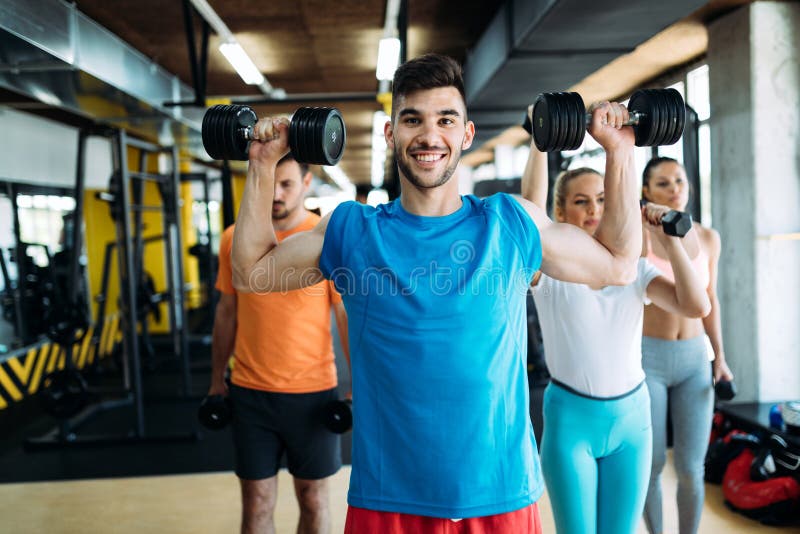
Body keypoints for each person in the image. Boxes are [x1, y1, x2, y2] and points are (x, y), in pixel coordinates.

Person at [231, 53, 642, 533]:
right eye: (413, 120)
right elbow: (251, 273)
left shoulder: (510, 223)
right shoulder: (352, 230)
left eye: (446, 120)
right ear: (390, 134)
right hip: (388, 501)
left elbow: (618, 264)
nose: (429, 136)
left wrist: (620, 152)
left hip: (499, 495)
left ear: (466, 134)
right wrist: (261, 166)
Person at [521, 143, 710, 534]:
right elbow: (530, 214)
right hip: (571, 422)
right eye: (581, 201)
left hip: (632, 422)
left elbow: (696, 306)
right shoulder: (548, 271)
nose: (594, 209)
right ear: (560, 212)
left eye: (603, 199)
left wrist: (670, 238)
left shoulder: (634, 271)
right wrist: (539, 144)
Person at [209, 152, 350, 534]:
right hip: (251, 392)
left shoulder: (326, 240)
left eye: (286, 183)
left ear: (306, 183)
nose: (276, 193)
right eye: (270, 183)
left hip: (314, 391)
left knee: (314, 498)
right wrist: (215, 380)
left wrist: (355, 387)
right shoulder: (233, 239)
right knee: (256, 503)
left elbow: (344, 316)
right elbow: (226, 312)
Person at [640, 156, 733, 534]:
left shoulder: (709, 238)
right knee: (652, 465)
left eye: (679, 180)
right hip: (648, 359)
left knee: (692, 468)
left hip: (694, 359)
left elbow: (710, 300)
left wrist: (720, 358)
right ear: (646, 192)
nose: (674, 189)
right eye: (662, 183)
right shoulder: (641, 237)